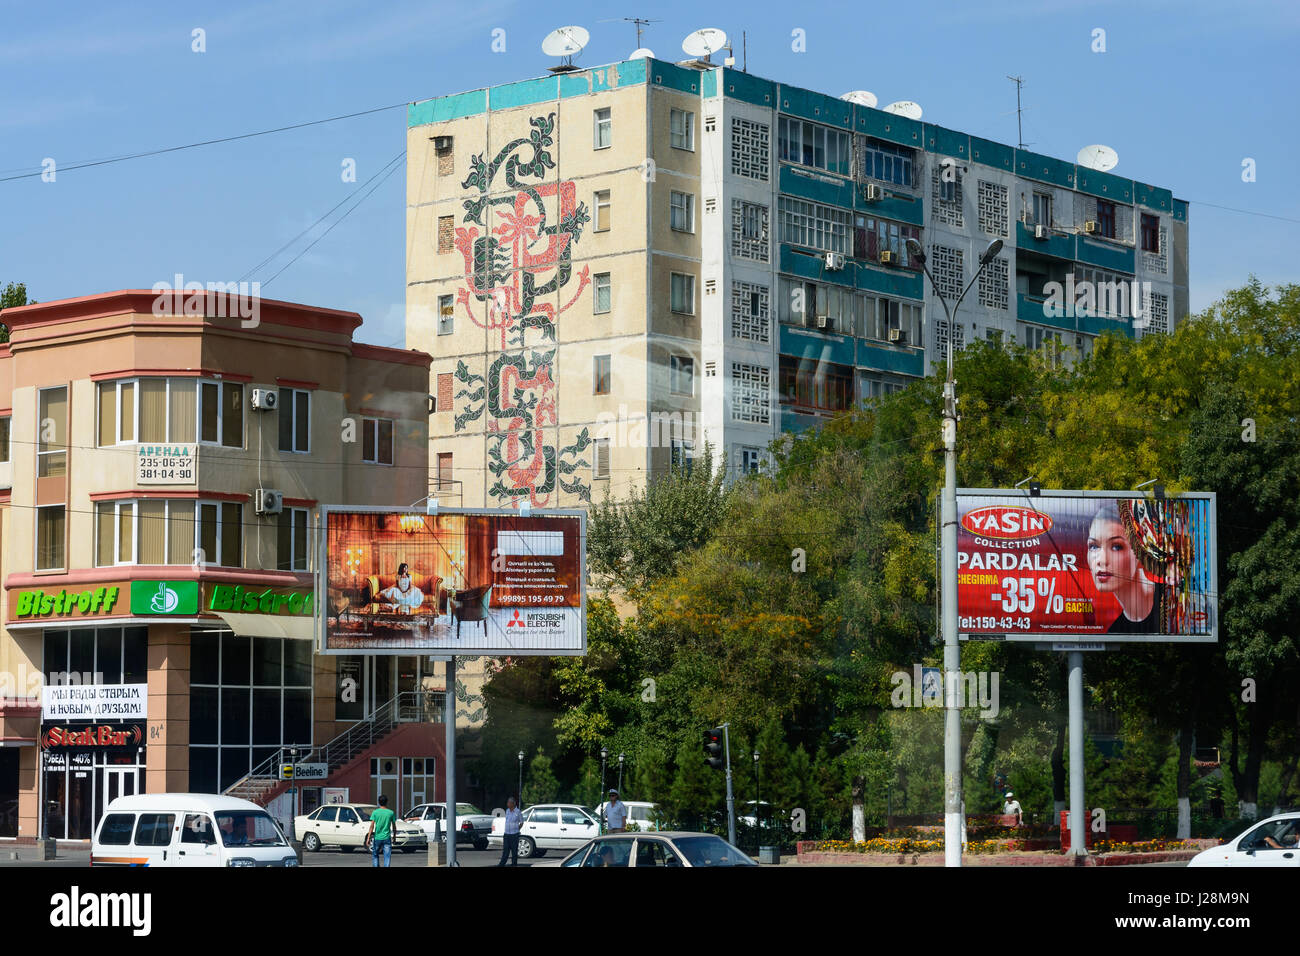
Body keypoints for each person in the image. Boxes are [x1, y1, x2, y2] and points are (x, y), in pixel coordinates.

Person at [1087, 504, 1161, 634]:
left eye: (1116, 547)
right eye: (1094, 546)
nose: (1101, 560)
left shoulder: (1173, 603)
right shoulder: (1115, 631)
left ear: (1141, 552)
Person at [368, 795, 396, 867]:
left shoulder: (375, 812)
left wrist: (368, 838)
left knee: (375, 855)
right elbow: (394, 826)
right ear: (387, 802)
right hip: (387, 838)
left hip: (377, 837)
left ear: (379, 802)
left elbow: (372, 826)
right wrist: (394, 837)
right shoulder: (391, 813)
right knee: (387, 857)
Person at [498, 796, 523, 867]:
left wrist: (517, 829)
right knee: (505, 850)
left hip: (514, 834)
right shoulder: (507, 811)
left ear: (513, 803)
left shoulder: (518, 812)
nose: (507, 804)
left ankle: (514, 864)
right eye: (507, 802)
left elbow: (521, 822)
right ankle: (502, 864)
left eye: (509, 802)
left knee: (514, 851)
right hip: (506, 834)